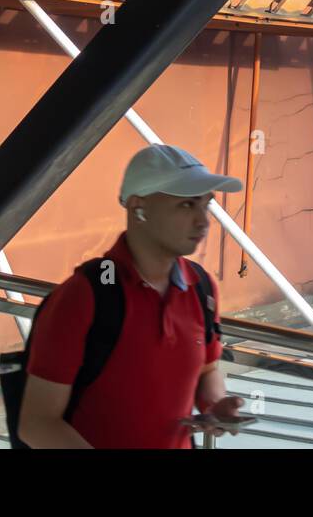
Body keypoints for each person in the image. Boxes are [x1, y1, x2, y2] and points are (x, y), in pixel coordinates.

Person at [18, 145, 245, 448]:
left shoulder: (202, 288)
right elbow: (36, 424)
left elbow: (207, 369)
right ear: (139, 207)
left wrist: (215, 405)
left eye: (207, 205)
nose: (203, 221)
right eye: (187, 205)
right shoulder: (85, 295)